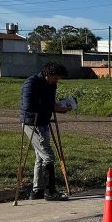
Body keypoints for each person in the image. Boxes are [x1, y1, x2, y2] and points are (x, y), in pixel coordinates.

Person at [20, 61, 72, 201]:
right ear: (47, 74)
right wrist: (52, 107)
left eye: (58, 79)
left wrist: (60, 108)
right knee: (48, 156)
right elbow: (29, 107)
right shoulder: (31, 83)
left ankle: (37, 191)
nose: (56, 81)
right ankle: (50, 192)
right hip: (32, 123)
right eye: (55, 78)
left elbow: (50, 103)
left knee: (40, 156)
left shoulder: (52, 84)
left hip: (44, 122)